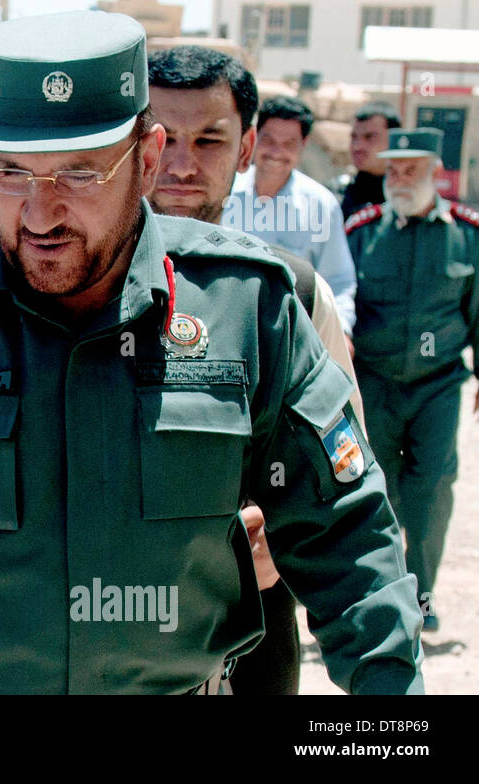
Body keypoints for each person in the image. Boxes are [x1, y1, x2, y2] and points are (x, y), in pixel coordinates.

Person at [0, 9, 424, 695]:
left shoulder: (246, 307)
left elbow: (347, 538)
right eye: (12, 173)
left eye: (79, 175)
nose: (41, 214)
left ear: (145, 160)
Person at [147, 44, 366, 696]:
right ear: (136, 144)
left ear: (246, 151)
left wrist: (284, 540)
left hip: (249, 627)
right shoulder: (61, 281)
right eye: (165, 138)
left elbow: (344, 476)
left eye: (210, 141)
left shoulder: (290, 293)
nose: (183, 165)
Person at [345, 127, 479, 634]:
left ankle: (421, 596)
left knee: (432, 488)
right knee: (373, 487)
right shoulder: (362, 231)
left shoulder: (468, 232)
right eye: (393, 170)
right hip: (373, 383)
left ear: (436, 174)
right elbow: (343, 307)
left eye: (412, 170)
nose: (399, 179)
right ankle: (380, 588)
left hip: (438, 385)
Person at [224, 96, 358, 339]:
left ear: (303, 145)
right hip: (225, 327)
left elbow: (338, 279)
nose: (277, 152)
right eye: (269, 140)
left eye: (289, 144)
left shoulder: (321, 206)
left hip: (293, 337)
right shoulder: (224, 191)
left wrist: (342, 333)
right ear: (253, 138)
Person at [341, 101, 400, 216]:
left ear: (393, 140)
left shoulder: (405, 197)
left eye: (369, 137)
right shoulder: (336, 195)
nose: (357, 146)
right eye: (354, 137)